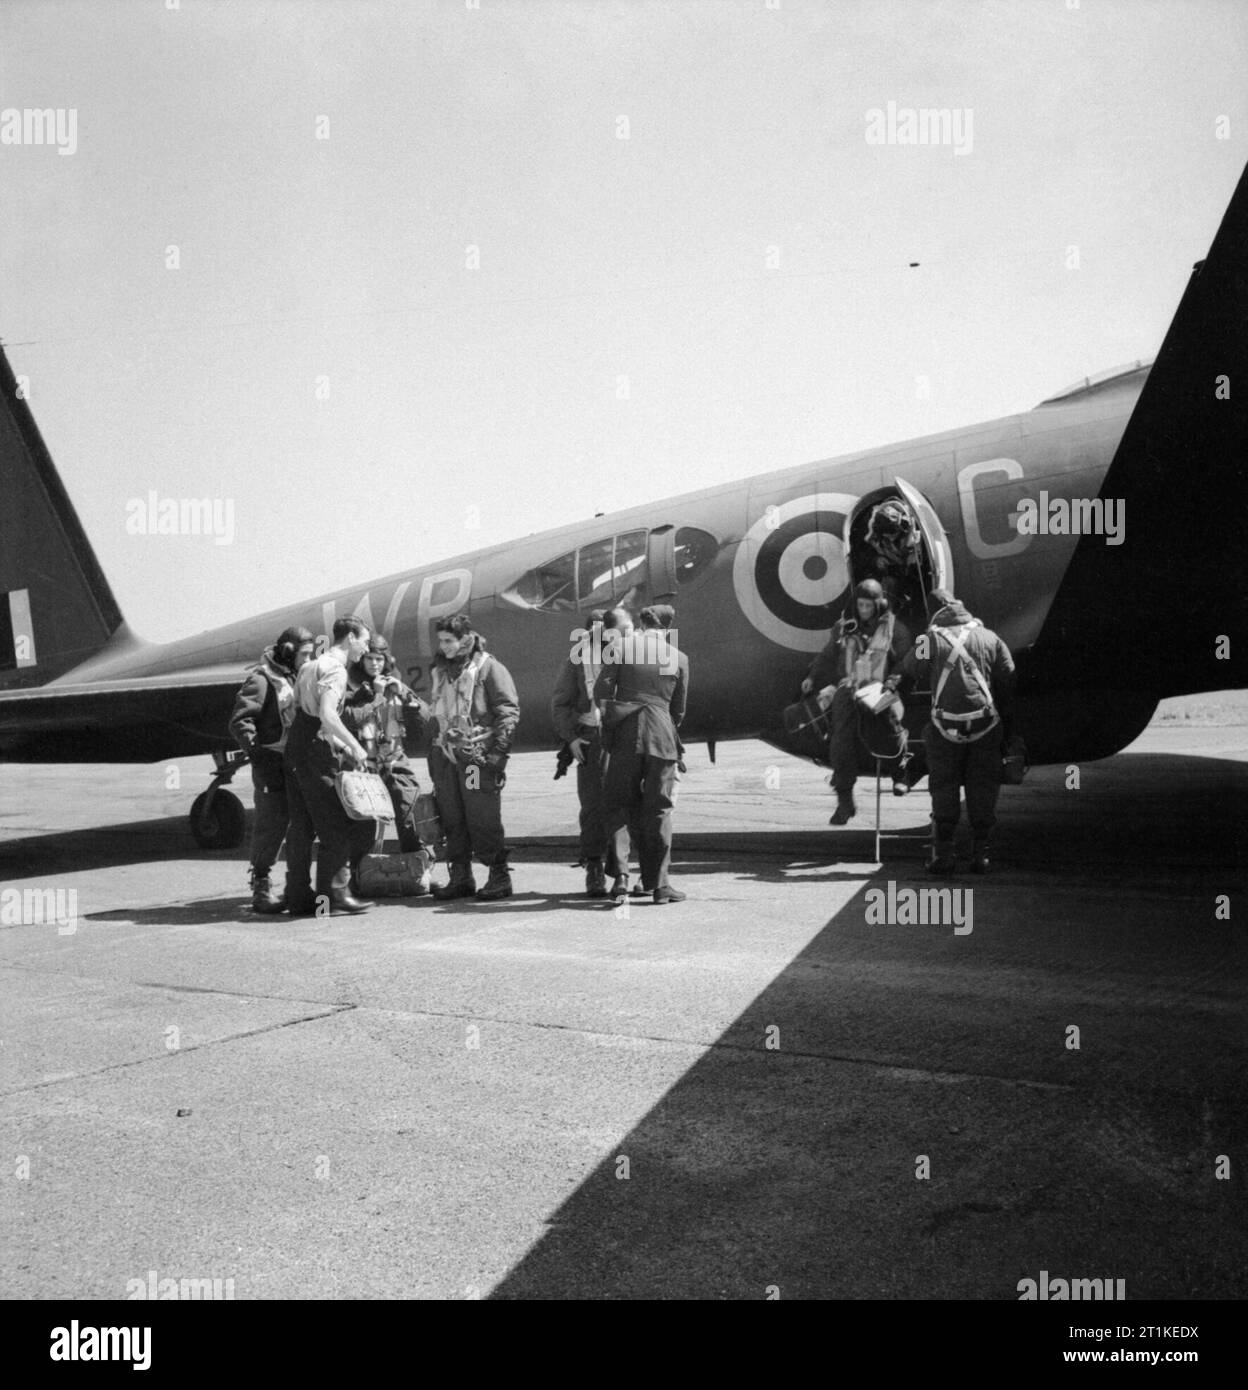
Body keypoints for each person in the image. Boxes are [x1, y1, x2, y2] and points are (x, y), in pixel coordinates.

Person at [891, 588, 1015, 875]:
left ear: (935, 614)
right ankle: (981, 856)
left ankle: (944, 856)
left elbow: (906, 673)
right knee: (983, 786)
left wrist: (888, 688)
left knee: (944, 786)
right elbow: (1008, 679)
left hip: (945, 729)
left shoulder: (930, 640)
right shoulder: (990, 637)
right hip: (986, 727)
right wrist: (1009, 734)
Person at [595, 606, 689, 905]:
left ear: (641, 623)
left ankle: (621, 878)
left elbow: (602, 689)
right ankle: (660, 886)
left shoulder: (621, 646)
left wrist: (611, 726)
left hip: (626, 734)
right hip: (662, 738)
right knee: (659, 809)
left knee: (619, 804)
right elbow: (679, 710)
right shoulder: (679, 658)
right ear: (666, 628)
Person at [283, 617, 377, 915]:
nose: (365, 648)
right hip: (315, 752)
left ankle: (297, 897)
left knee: (301, 827)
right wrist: (357, 747)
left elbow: (301, 712)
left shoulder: (310, 665)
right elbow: (328, 715)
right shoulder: (335, 669)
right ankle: (334, 896)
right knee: (335, 825)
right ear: (350, 638)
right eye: (363, 641)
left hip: (296, 748)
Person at [426, 614, 520, 902]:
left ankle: (498, 876)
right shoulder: (440, 672)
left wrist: (496, 755)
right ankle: (461, 877)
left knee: (480, 815)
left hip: (473, 760)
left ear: (465, 639)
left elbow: (508, 711)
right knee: (452, 817)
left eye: (449, 641)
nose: (443, 647)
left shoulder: (489, 668)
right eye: (440, 641)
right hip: (446, 759)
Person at [802, 578, 912, 824]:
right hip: (848, 690)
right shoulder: (843, 627)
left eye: (868, 606)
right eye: (860, 605)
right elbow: (828, 654)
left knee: (888, 729)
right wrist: (812, 676)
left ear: (878, 605)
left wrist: (893, 682)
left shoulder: (896, 630)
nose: (863, 611)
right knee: (840, 743)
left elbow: (907, 662)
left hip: (881, 689)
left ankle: (900, 773)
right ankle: (845, 801)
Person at [228, 625, 316, 913]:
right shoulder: (262, 679)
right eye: (303, 653)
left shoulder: (295, 676)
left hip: (296, 762)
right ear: (289, 652)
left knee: (301, 824)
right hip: (272, 764)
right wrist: (257, 753)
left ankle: (296, 887)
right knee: (271, 824)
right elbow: (240, 720)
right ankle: (261, 885)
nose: (307, 659)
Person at [341, 634, 428, 854]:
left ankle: (418, 870)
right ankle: (364, 877)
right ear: (361, 659)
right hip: (363, 765)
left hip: (395, 760)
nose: (375, 664)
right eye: (369, 658)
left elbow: (427, 720)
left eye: (379, 659)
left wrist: (408, 699)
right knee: (364, 825)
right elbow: (347, 718)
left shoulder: (395, 686)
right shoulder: (349, 687)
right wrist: (376, 696)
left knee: (410, 814)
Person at [551, 608, 615, 897]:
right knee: (593, 806)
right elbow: (561, 703)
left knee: (626, 804)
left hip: (623, 736)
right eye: (595, 628)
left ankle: (625, 872)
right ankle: (594, 866)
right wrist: (573, 739)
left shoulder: (627, 655)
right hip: (591, 739)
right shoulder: (577, 660)